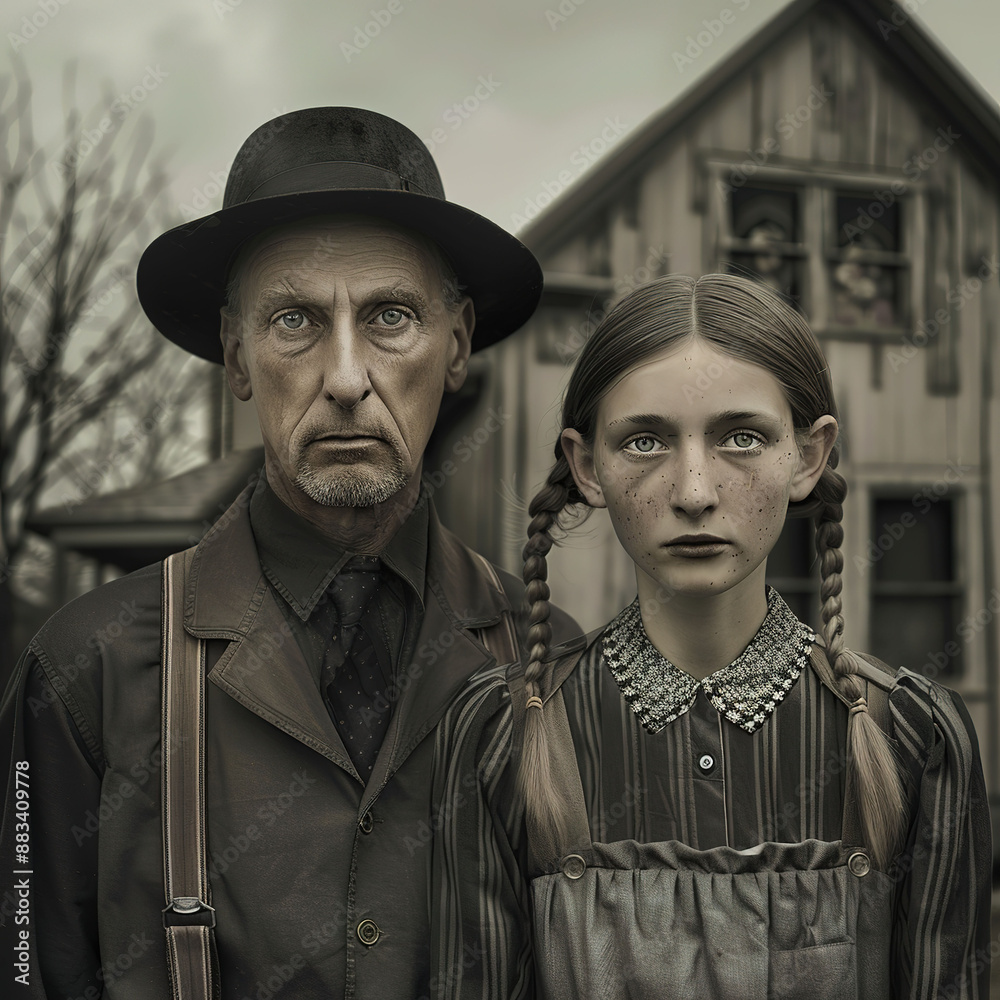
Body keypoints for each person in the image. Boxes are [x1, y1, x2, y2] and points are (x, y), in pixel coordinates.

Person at [0, 107, 574, 999]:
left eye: (389, 316)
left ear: (456, 343)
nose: (346, 378)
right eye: (296, 321)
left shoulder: (557, 668)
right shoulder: (88, 672)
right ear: (236, 356)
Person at [515, 273, 991, 999]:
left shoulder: (911, 741)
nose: (695, 491)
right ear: (586, 467)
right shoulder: (504, 737)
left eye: (742, 437)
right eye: (645, 440)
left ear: (807, 455)